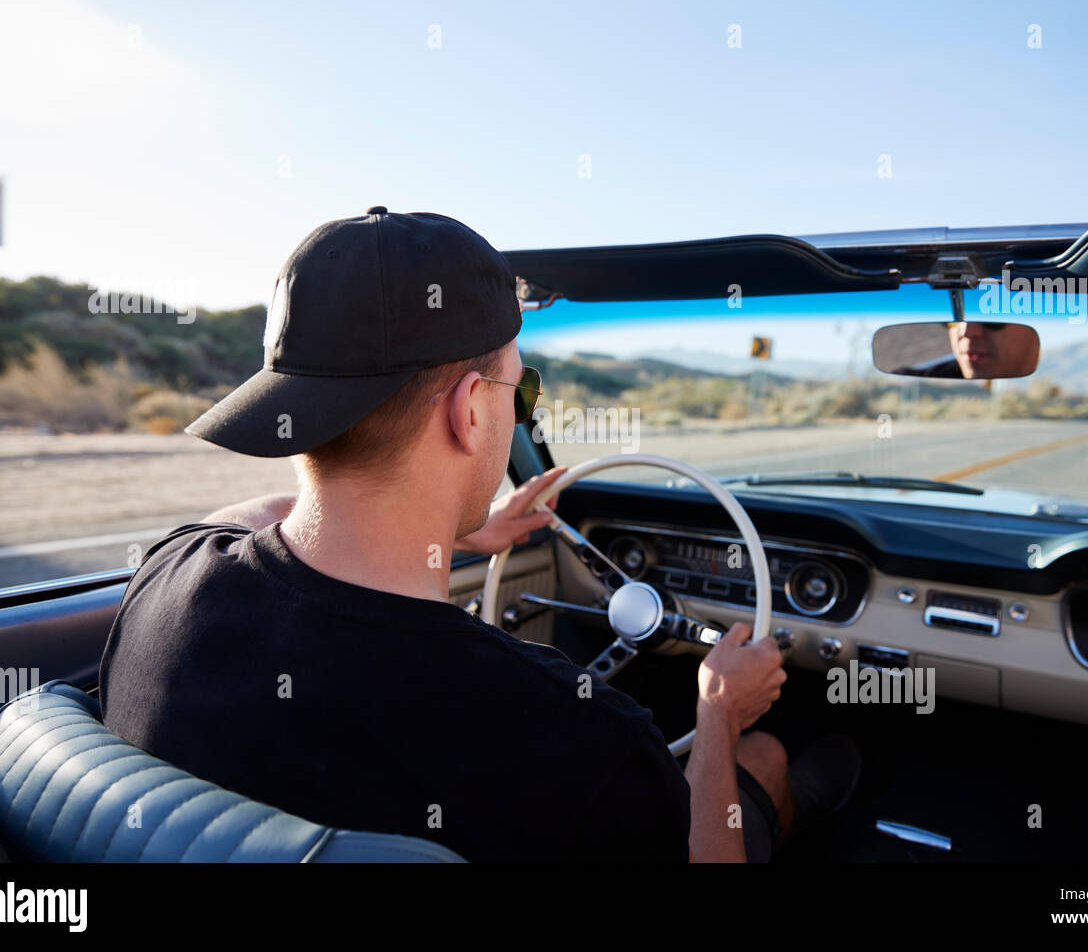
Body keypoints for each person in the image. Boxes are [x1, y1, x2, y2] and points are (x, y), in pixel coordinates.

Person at [99, 207, 859, 862]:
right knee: (765, 757)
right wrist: (718, 716)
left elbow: (263, 517)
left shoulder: (168, 574)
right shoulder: (577, 734)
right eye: (519, 389)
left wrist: (460, 536)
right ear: (469, 410)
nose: (517, 409)